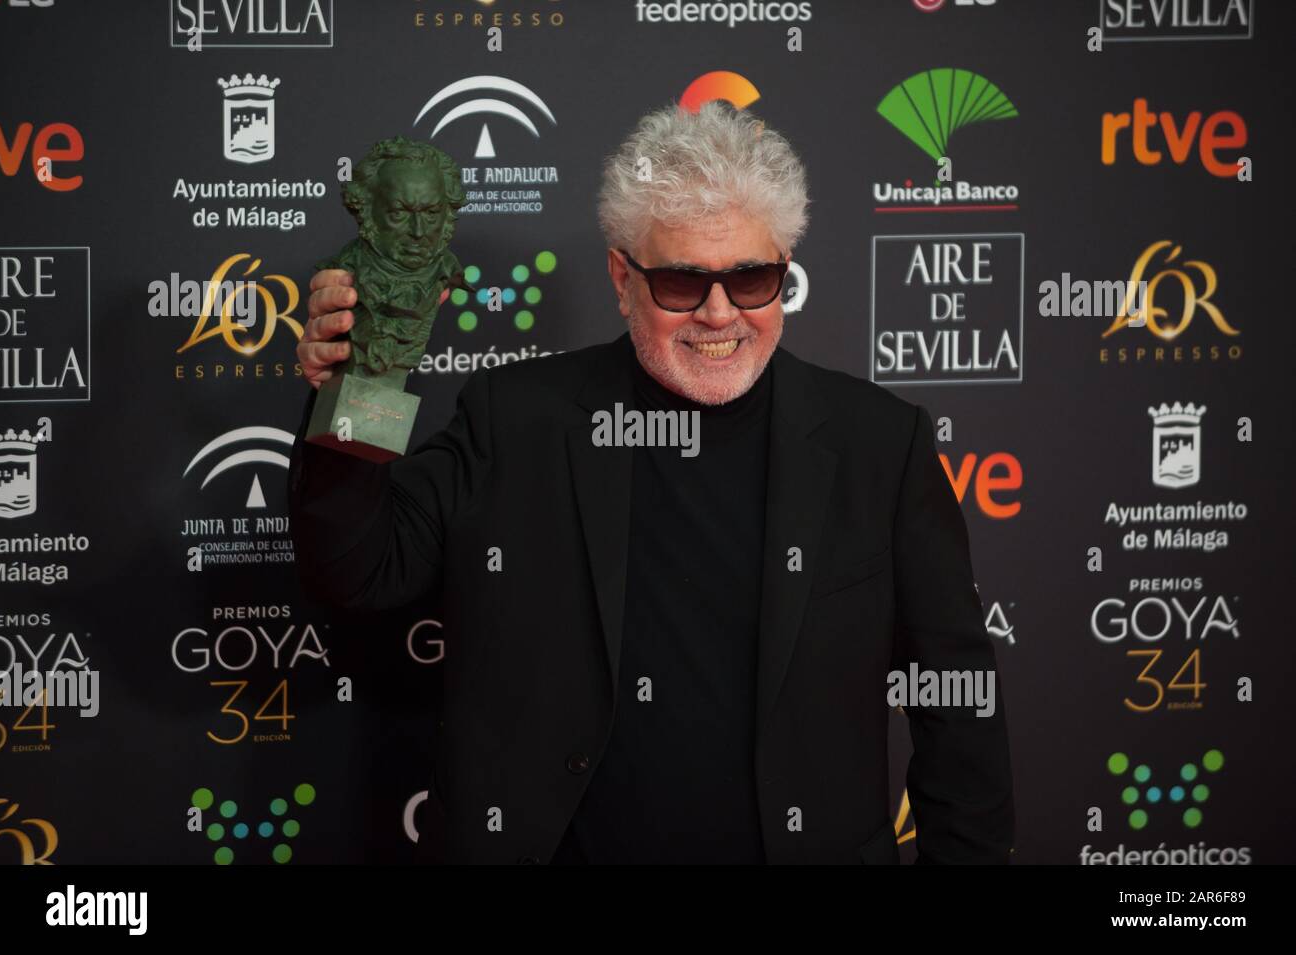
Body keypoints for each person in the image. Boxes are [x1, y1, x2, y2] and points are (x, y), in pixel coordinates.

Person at [289, 101, 1014, 864]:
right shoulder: (516, 419)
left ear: (785, 276)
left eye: (753, 278)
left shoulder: (880, 445)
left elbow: (959, 709)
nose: (718, 313)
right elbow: (357, 571)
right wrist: (361, 382)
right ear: (621, 278)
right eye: (680, 283)